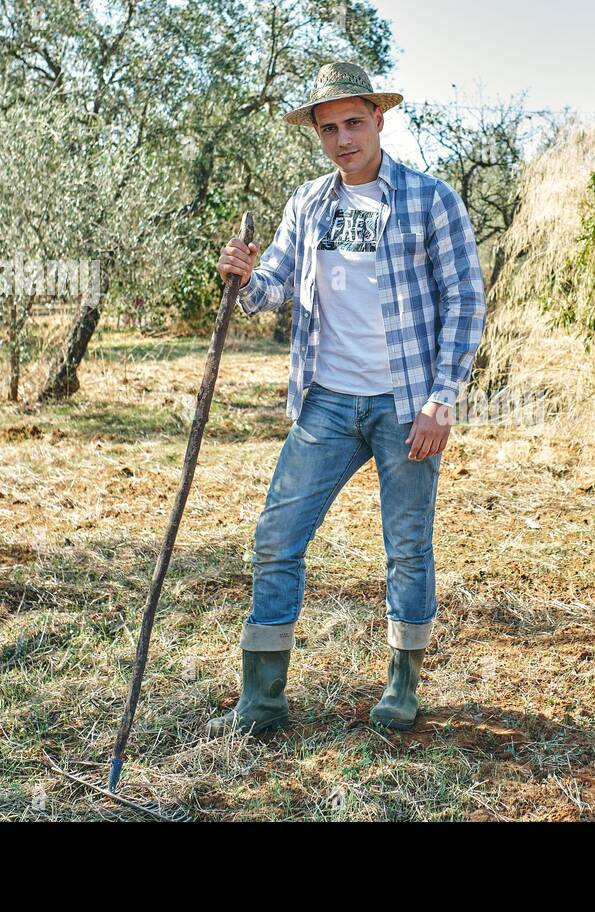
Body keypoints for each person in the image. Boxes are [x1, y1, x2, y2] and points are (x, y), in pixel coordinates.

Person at [209, 61, 485, 734]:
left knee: (408, 545)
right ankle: (262, 702)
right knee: (277, 538)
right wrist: (245, 276)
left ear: (379, 122)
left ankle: (402, 685)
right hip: (327, 401)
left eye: (353, 122)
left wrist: (440, 400)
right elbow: (274, 285)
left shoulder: (429, 201)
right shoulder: (307, 204)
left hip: (406, 404)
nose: (341, 139)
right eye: (327, 128)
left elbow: (466, 303)